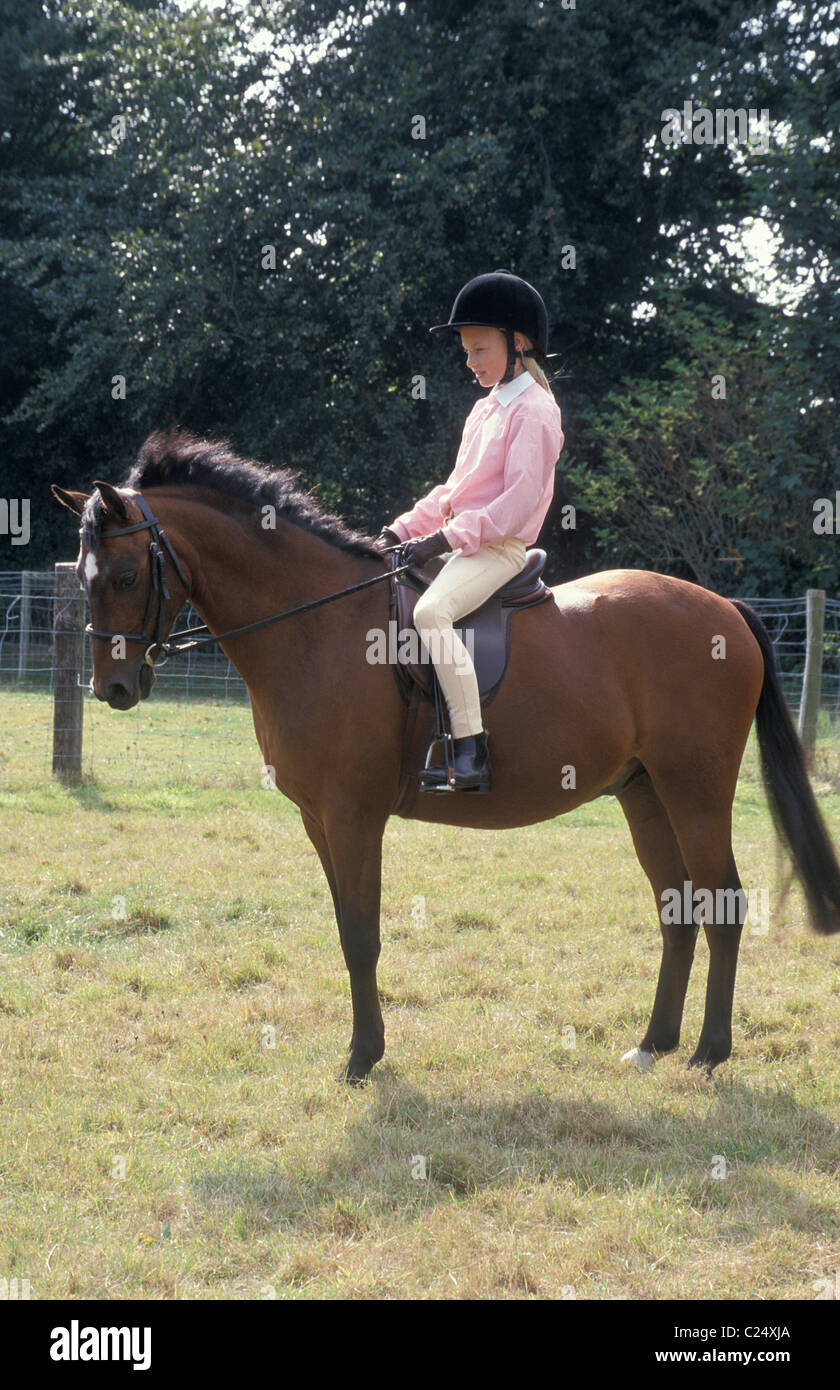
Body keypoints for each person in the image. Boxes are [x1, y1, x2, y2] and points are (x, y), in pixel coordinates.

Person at [378, 269, 565, 793]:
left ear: (518, 342)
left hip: (499, 548)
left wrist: (443, 539)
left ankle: (470, 750)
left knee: (432, 612)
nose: (470, 362)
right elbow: (452, 490)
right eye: (466, 351)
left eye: (480, 349)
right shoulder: (485, 410)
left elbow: (516, 505)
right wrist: (399, 531)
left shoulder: (535, 410)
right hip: (465, 542)